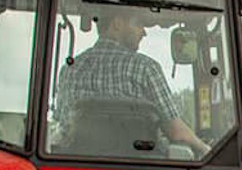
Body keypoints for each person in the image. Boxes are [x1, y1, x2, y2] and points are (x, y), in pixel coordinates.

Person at [53, 9, 202, 151]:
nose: (144, 32)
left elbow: (63, 124)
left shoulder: (69, 70)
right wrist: (206, 149)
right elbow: (176, 132)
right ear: (117, 23)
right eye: (138, 24)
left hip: (77, 166)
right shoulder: (145, 68)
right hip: (140, 169)